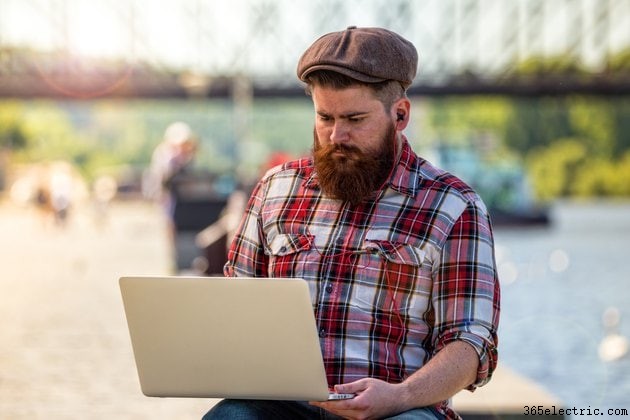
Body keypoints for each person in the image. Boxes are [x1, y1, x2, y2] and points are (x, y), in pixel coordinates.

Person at [203, 26, 500, 420]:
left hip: (398, 409)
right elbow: (234, 305)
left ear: (400, 114)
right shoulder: (275, 189)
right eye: (325, 117)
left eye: (355, 119)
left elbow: (470, 344)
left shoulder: (454, 206)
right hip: (280, 405)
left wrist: (400, 396)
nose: (335, 135)